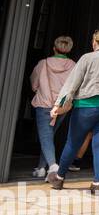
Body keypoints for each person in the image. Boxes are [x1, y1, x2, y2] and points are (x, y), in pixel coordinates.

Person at [46, 30, 99, 196]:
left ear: (94, 42)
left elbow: (72, 83)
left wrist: (58, 104)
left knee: (73, 143)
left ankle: (60, 178)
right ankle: (97, 184)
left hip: (86, 106)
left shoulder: (87, 58)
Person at [28, 36, 76, 179]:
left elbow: (34, 84)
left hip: (44, 104)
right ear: (69, 50)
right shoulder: (74, 65)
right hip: (63, 106)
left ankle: (53, 168)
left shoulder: (43, 63)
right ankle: (42, 168)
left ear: (54, 48)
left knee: (46, 137)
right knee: (48, 137)